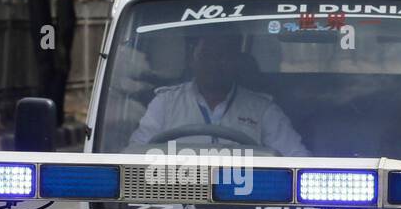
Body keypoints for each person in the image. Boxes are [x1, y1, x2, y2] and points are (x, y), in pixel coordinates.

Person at [129, 34, 310, 156]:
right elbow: (135, 155)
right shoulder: (165, 103)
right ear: (193, 61)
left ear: (235, 62)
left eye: (222, 57)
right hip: (175, 202)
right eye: (207, 56)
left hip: (245, 203)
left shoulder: (262, 109)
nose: (214, 64)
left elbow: (297, 160)